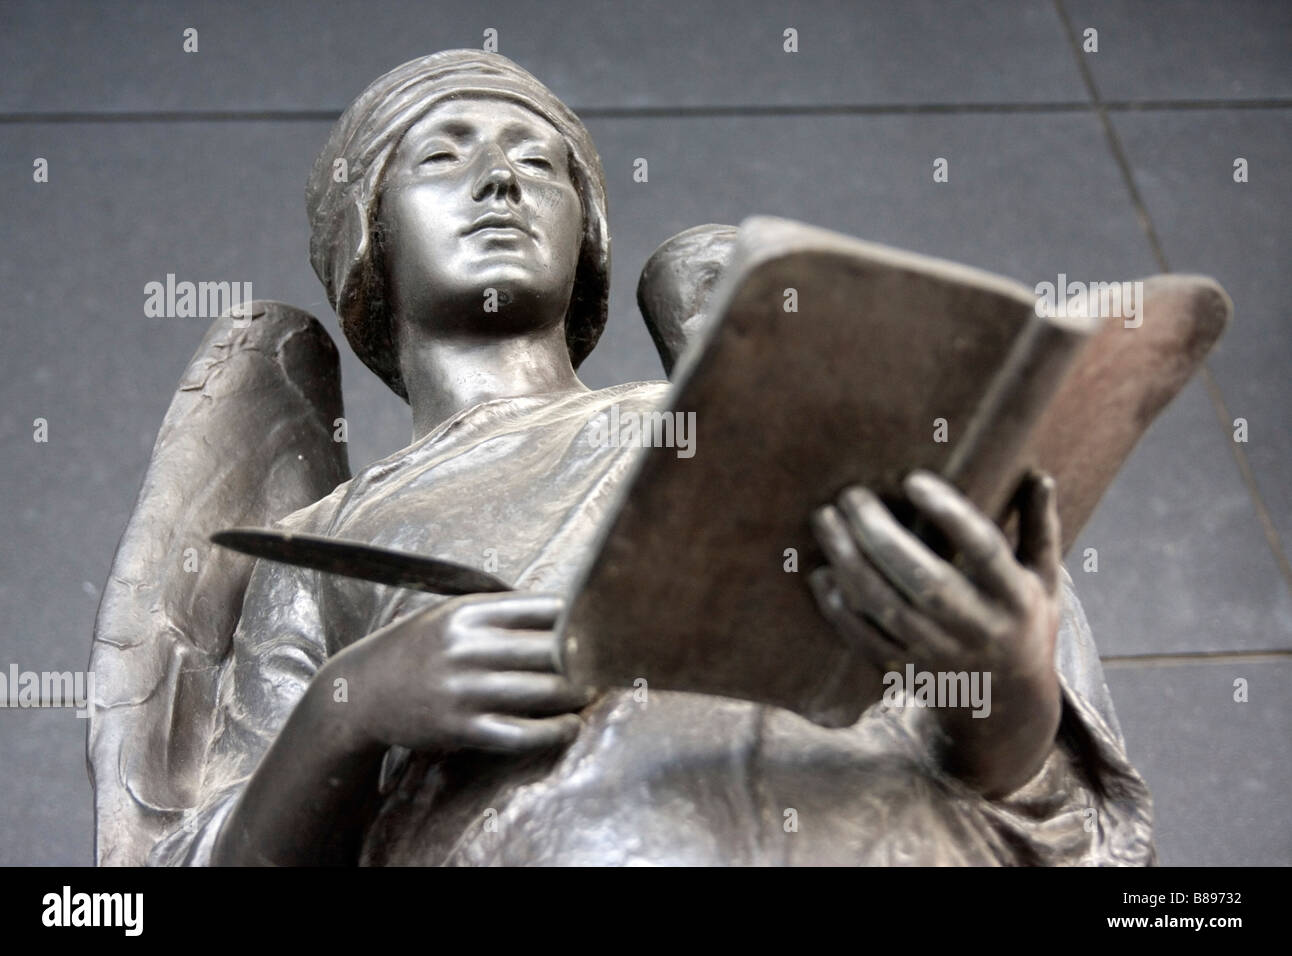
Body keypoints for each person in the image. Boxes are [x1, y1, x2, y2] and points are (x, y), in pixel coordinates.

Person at [150, 50, 1153, 866]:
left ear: (585, 233)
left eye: (539, 161)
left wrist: (1006, 676)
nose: (499, 177)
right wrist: (350, 704)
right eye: (440, 156)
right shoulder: (323, 544)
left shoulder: (755, 409)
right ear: (369, 239)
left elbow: (1044, 805)